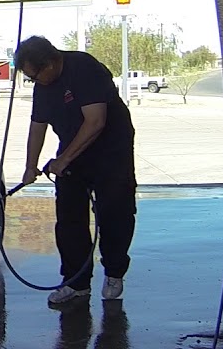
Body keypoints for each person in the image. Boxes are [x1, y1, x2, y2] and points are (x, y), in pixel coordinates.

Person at [15, 35, 137, 306]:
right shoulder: (43, 85)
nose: (35, 82)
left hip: (110, 149)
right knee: (69, 217)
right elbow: (38, 125)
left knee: (114, 212)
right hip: (73, 148)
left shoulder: (84, 68)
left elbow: (95, 122)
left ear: (50, 63)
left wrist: (62, 161)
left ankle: (114, 272)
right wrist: (30, 166)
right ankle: (76, 282)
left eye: (35, 75)